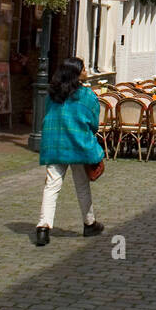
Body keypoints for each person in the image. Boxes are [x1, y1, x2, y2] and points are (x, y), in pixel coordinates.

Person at [35, 58, 105, 246]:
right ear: (76, 73)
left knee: (51, 186)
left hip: (55, 143)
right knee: (82, 185)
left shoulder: (52, 95)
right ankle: (89, 223)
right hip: (77, 144)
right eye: (83, 68)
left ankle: (43, 227)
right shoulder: (87, 96)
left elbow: (48, 115)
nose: (86, 71)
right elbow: (93, 123)